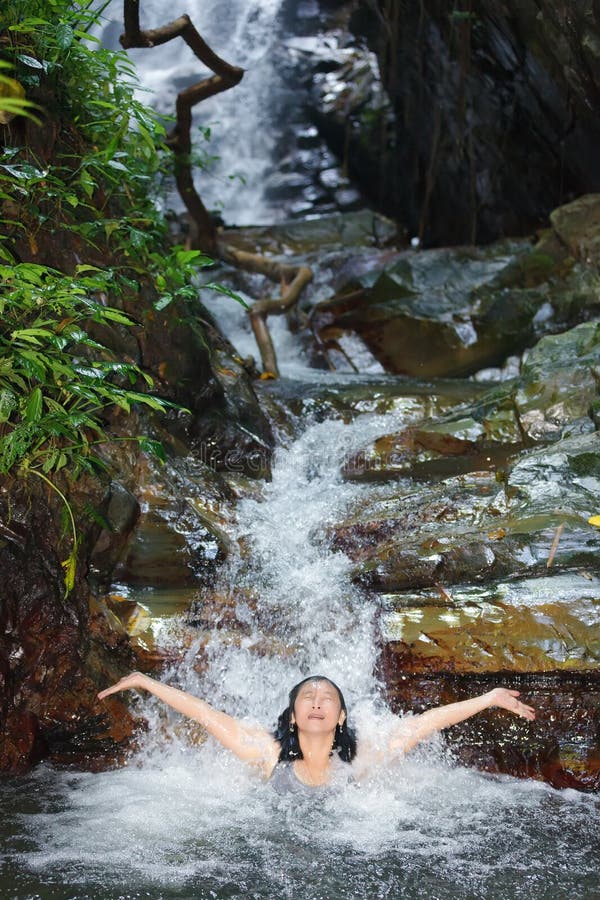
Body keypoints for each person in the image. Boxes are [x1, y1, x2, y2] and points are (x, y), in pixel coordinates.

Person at [98, 673, 535, 792]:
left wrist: (488, 698)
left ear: (341, 716)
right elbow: (207, 715)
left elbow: (422, 725)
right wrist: (146, 682)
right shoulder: (267, 755)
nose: (317, 701)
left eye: (327, 697)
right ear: (292, 716)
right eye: (307, 696)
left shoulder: (362, 759)